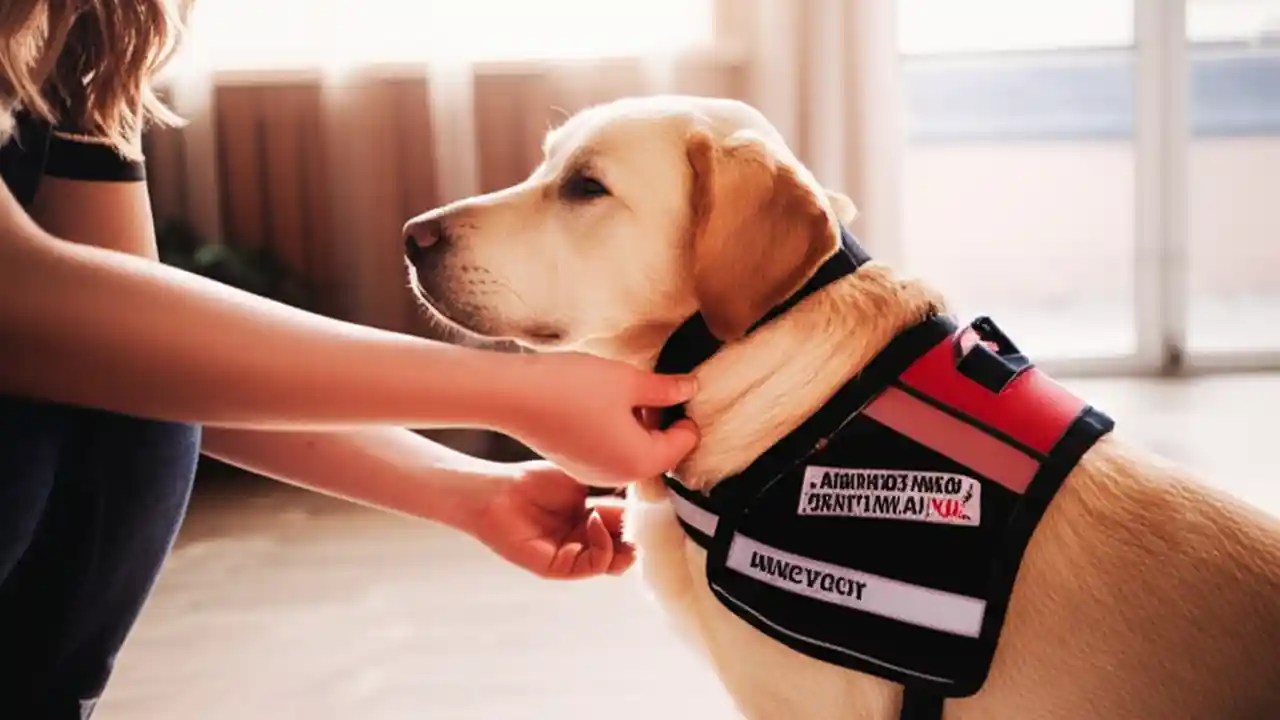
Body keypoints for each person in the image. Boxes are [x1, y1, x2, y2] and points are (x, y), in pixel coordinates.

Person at [0, 1, 699, 715]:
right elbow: (25, 310)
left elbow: (135, 355)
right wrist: (517, 390)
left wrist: (470, 490)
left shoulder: (89, 28)